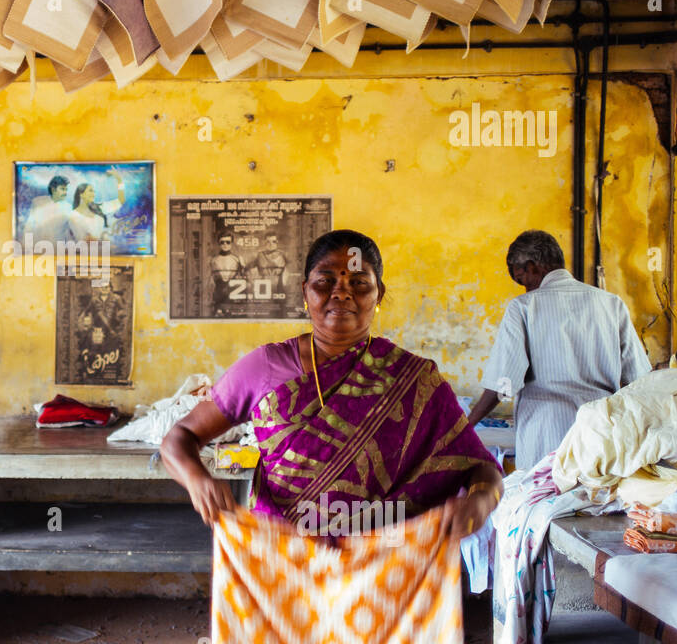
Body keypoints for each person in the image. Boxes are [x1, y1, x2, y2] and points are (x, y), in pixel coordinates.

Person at [162, 228, 502, 540]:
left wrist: (481, 501)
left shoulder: (415, 379)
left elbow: (481, 467)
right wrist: (197, 479)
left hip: (384, 570)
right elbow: (179, 439)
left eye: (359, 283)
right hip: (283, 565)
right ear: (304, 292)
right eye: (325, 282)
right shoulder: (265, 367)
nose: (341, 293)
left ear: (379, 293)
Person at [465, 230, 652, 472]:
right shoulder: (611, 304)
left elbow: (503, 383)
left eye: (522, 280)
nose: (525, 290)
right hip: (602, 433)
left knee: (546, 504)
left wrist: (466, 425)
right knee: (598, 506)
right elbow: (637, 380)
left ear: (533, 267)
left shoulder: (524, 307)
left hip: (547, 437)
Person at [24, 175, 71, 244]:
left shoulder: (68, 207)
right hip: (38, 247)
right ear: (53, 189)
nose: (65, 193)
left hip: (58, 249)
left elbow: (69, 232)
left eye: (66, 189)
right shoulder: (38, 202)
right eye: (62, 189)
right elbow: (29, 227)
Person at [209, 233, 242, 317]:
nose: (225, 244)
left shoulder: (237, 259)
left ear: (231, 244)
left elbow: (242, 277)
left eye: (228, 242)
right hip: (218, 294)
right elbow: (210, 278)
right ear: (218, 243)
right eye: (222, 242)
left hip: (233, 294)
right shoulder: (213, 260)